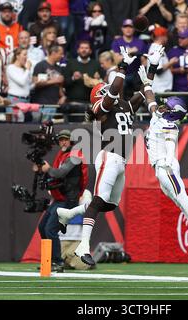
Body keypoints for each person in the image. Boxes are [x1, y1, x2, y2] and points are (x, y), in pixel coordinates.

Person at [56, 45, 163, 266]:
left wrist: (152, 66)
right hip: (108, 156)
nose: (110, 90)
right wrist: (122, 67)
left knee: (109, 204)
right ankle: (83, 247)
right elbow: (114, 90)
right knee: (97, 202)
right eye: (106, 90)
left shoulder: (123, 106)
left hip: (121, 160)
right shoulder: (101, 109)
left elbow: (144, 92)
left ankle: (66, 214)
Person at [139, 67, 188, 255]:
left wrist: (168, 161)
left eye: (166, 106)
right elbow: (151, 100)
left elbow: (171, 144)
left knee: (181, 196)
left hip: (166, 165)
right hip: (161, 167)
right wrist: (147, 82)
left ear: (173, 112)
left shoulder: (170, 125)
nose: (162, 107)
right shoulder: (158, 117)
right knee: (178, 201)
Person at [32, 129, 89, 273]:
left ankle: (58, 262)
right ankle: (50, 260)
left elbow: (61, 173)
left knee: (50, 230)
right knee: (43, 227)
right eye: (61, 140)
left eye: (65, 139)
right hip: (60, 198)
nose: (63, 142)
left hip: (68, 200)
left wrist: (47, 169)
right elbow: (54, 176)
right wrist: (40, 170)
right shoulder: (64, 155)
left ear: (71, 141)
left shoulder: (75, 156)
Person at [111, 19, 147, 99]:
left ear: (134, 29)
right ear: (122, 28)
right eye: (125, 26)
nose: (128, 29)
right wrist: (130, 51)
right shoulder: (117, 41)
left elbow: (144, 61)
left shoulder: (140, 42)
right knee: (119, 85)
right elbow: (117, 60)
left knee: (141, 82)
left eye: (130, 27)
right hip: (122, 72)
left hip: (135, 73)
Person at [32, 44, 66, 116]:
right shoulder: (40, 65)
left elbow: (59, 86)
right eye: (60, 54)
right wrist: (55, 80)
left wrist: (63, 96)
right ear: (53, 53)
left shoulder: (59, 68)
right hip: (41, 104)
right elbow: (35, 84)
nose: (62, 56)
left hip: (54, 104)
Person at [63, 40, 101, 105]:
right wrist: (73, 78)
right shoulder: (71, 63)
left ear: (90, 51)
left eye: (86, 48)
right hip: (73, 102)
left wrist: (98, 79)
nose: (84, 50)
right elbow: (64, 82)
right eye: (82, 48)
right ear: (78, 50)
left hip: (91, 102)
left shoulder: (96, 64)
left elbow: (102, 84)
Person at [143, 26, 174, 94]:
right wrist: (171, 63)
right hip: (159, 89)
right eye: (165, 36)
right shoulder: (156, 49)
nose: (167, 38)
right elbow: (158, 70)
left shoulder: (156, 47)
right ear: (161, 37)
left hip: (160, 88)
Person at [6, 47, 32, 121]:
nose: (26, 57)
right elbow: (21, 82)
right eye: (24, 55)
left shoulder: (24, 69)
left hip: (26, 100)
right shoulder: (11, 68)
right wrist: (28, 69)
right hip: (15, 100)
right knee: (16, 126)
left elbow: (27, 86)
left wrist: (36, 84)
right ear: (17, 56)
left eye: (27, 55)